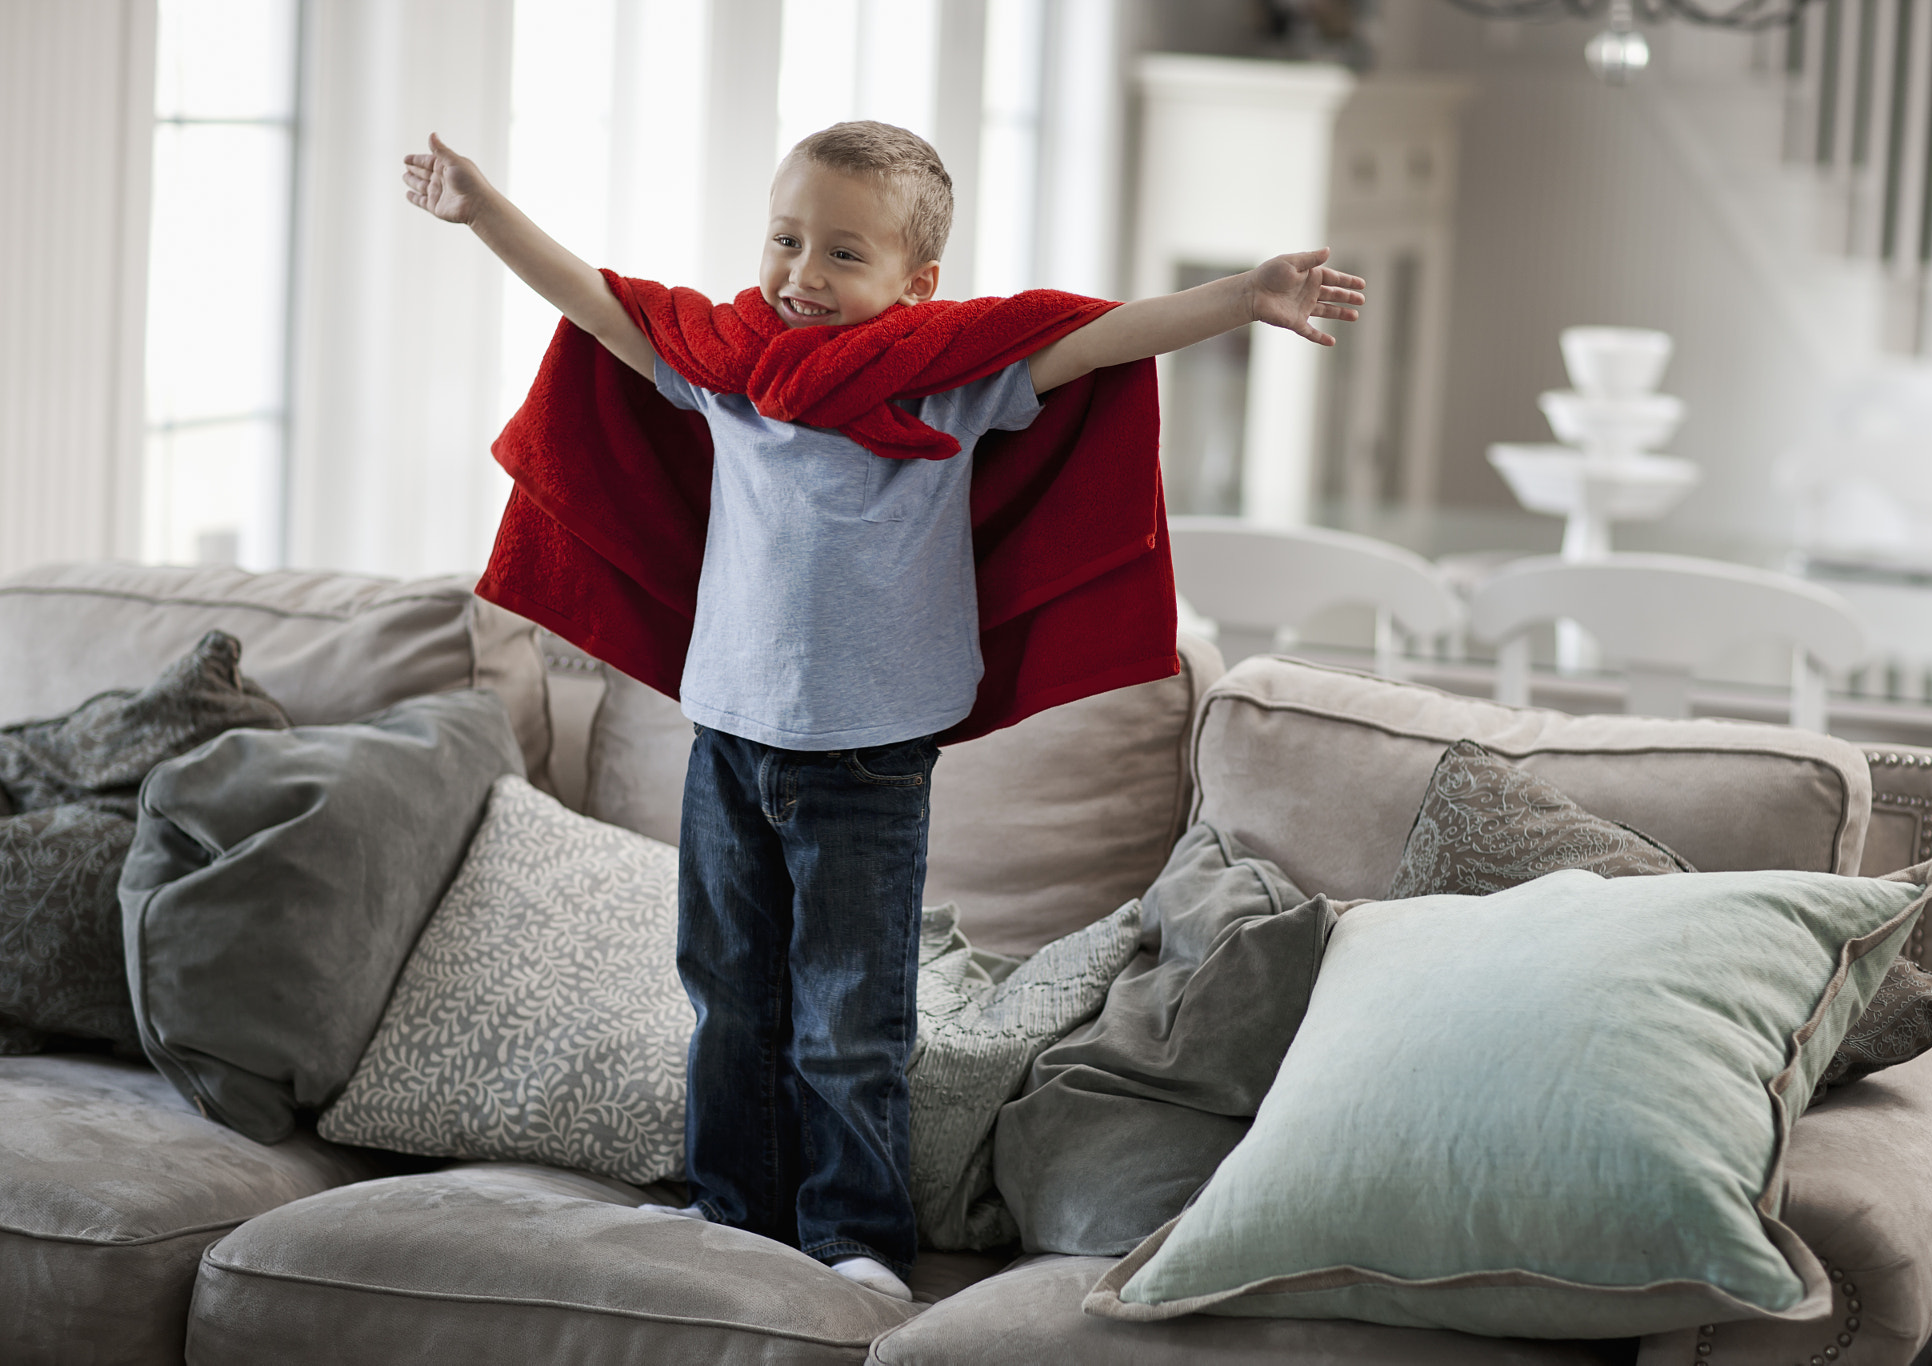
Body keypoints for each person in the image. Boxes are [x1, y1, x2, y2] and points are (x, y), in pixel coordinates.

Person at [402, 119, 1362, 1301]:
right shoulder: (727, 369)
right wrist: (480, 207)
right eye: (786, 239)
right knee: (728, 997)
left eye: (841, 255)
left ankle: (853, 1235)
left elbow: (1100, 335)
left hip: (865, 761)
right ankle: (732, 1211)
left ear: (916, 284)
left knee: (847, 1017)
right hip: (729, 743)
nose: (801, 274)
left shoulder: (954, 381)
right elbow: (599, 302)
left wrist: (1243, 294)